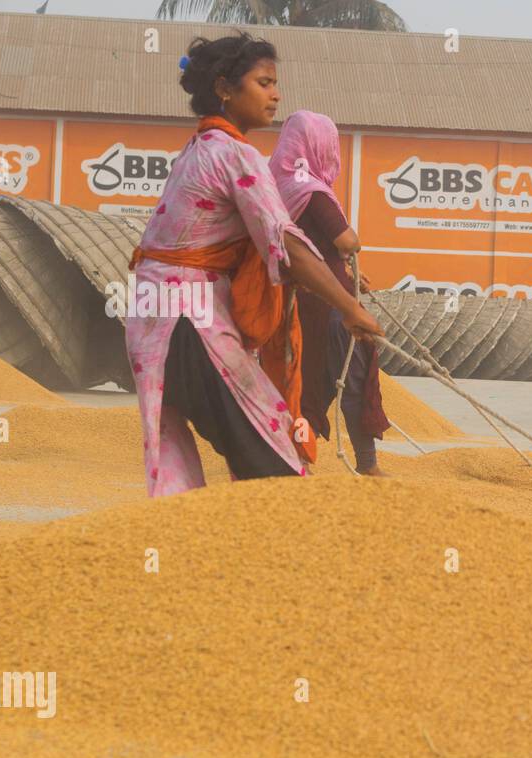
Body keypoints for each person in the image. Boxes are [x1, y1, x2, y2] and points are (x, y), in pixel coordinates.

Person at [127, 34, 379, 497]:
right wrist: (350, 308)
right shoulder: (236, 154)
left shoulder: (198, 147)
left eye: (275, 84)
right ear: (225, 88)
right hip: (187, 317)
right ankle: (285, 523)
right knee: (268, 443)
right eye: (264, 83)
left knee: (172, 442)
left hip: (152, 315)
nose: (276, 95)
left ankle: (183, 526)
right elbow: (287, 244)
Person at [270, 110, 390, 476]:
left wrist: (347, 270)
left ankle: (295, 461)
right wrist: (349, 253)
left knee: (304, 385)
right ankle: (367, 465)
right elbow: (346, 240)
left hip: (295, 304)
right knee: (353, 381)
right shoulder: (311, 190)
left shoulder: (277, 187)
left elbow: (307, 246)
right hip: (331, 307)